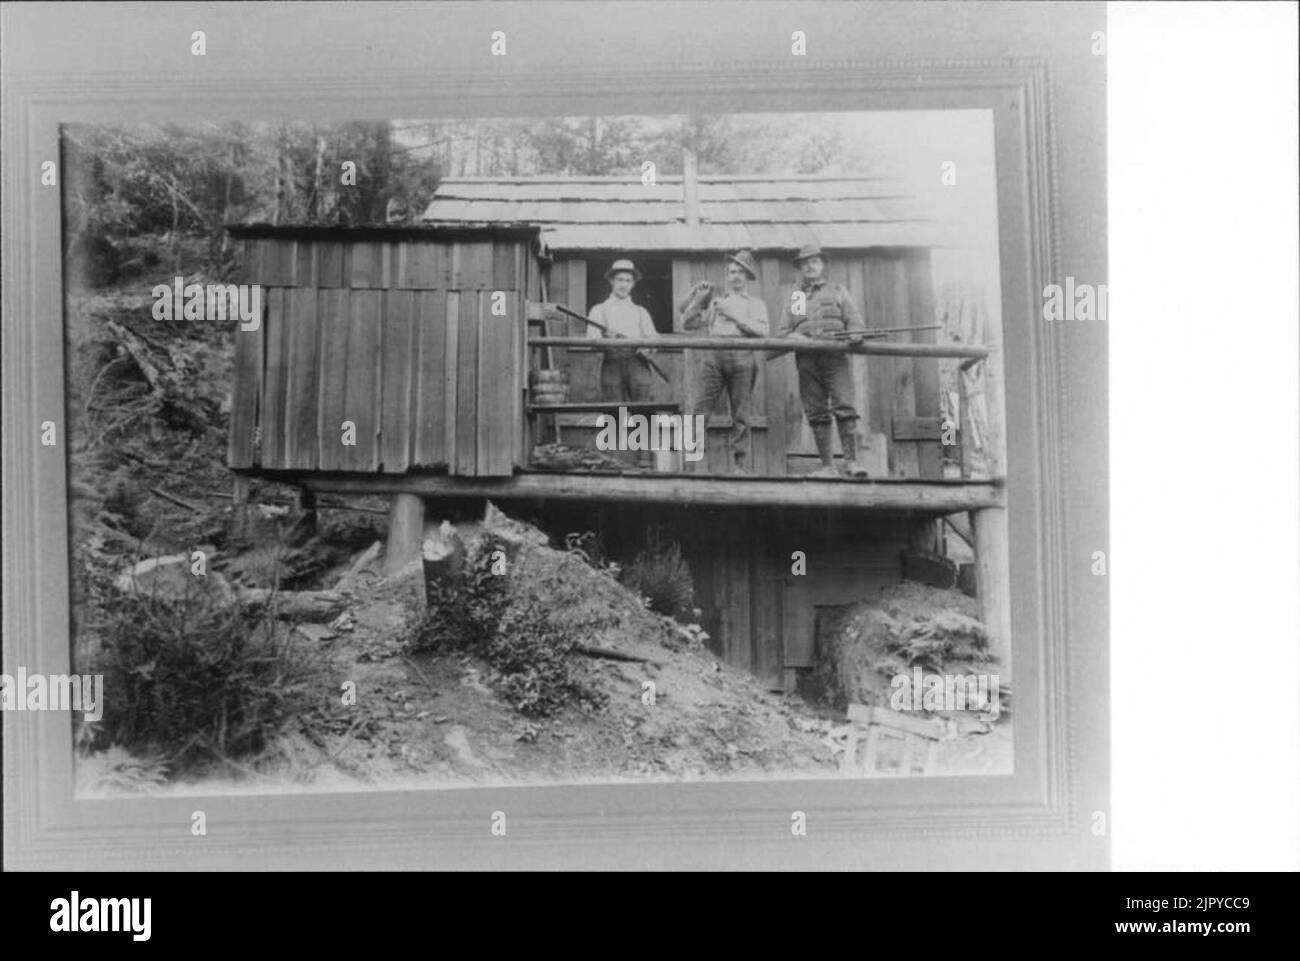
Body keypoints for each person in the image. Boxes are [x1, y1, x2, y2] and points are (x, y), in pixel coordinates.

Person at [777, 244, 869, 477]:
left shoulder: (837, 290)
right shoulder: (797, 297)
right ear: (800, 268)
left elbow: (855, 321)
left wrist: (856, 333)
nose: (809, 266)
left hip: (835, 357)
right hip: (807, 360)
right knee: (816, 411)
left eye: (814, 262)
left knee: (844, 406)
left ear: (823, 265)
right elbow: (786, 330)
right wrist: (795, 336)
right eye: (805, 263)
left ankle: (851, 463)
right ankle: (828, 467)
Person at [680, 249, 769, 473]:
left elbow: (763, 331)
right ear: (726, 275)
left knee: (741, 414)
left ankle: (740, 466)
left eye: (740, 272)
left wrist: (735, 316)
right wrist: (697, 299)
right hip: (714, 356)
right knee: (699, 410)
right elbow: (689, 324)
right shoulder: (716, 302)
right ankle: (691, 465)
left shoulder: (756, 303)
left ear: (748, 277)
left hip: (742, 356)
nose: (735, 276)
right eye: (731, 272)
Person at [587, 259, 658, 403]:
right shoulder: (599, 310)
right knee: (614, 413)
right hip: (612, 363)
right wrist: (607, 340)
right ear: (611, 281)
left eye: (628, 280)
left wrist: (648, 348)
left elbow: (654, 339)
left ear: (633, 284)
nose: (623, 284)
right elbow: (592, 341)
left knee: (643, 411)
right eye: (619, 279)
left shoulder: (640, 311)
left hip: (638, 364)